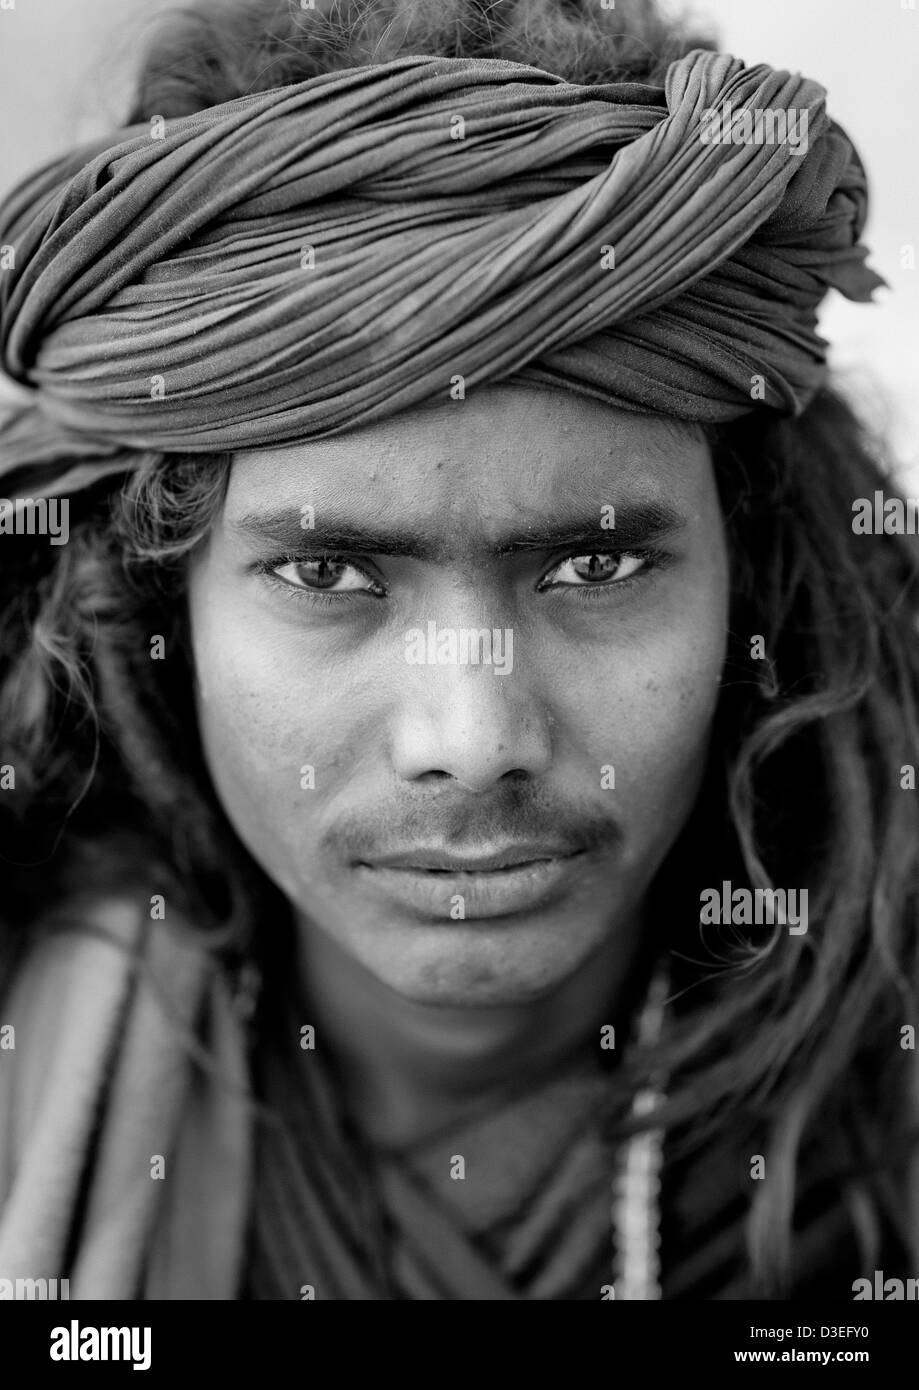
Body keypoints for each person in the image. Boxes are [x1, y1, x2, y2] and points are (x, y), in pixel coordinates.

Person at [0, 0, 916, 1301]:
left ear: (746, 568)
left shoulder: (884, 1130)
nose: (471, 740)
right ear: (163, 593)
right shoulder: (30, 1071)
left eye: (594, 564)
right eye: (328, 571)